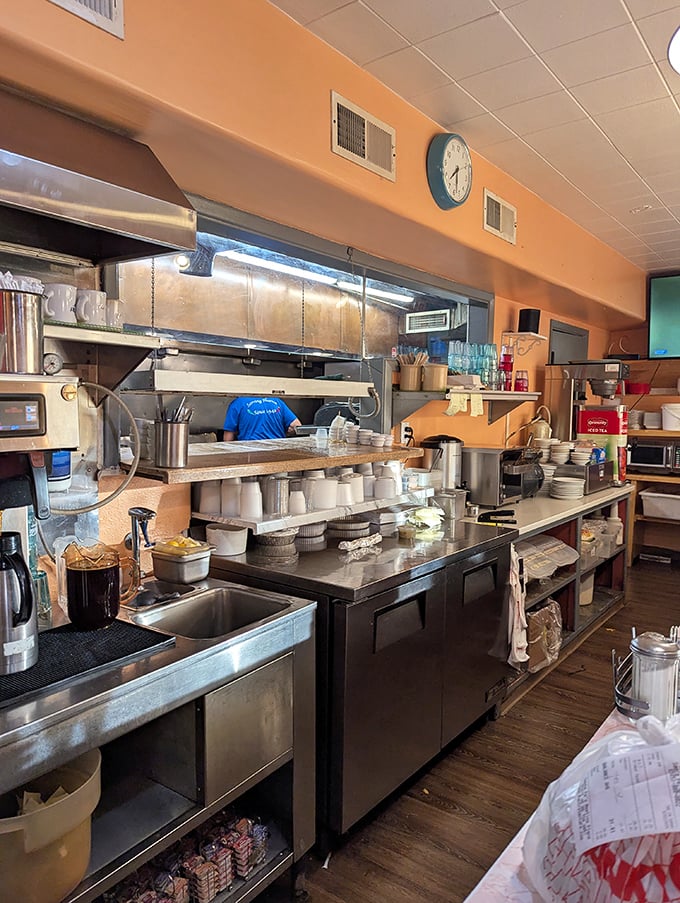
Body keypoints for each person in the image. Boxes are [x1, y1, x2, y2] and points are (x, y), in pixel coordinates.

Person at [223, 396, 301, 441]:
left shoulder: (237, 403)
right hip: (277, 453)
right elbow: (296, 425)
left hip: (249, 454)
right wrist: (287, 433)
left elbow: (228, 438)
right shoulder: (277, 402)